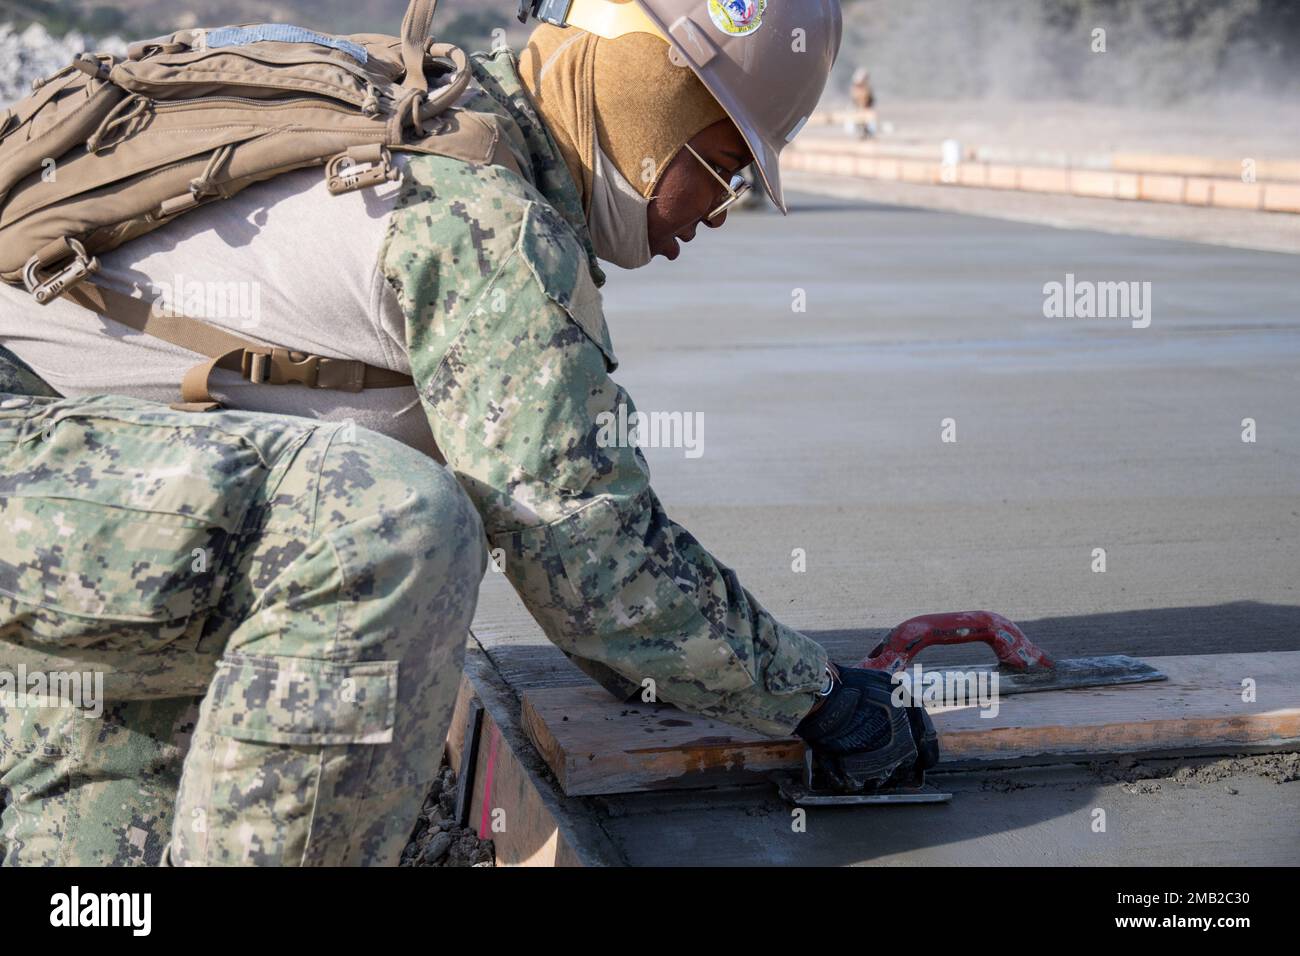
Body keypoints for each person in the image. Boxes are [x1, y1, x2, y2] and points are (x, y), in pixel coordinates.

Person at [0, 0, 932, 866]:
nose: (717, 212)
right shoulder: (486, 220)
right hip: (50, 481)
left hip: (84, 505)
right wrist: (816, 697)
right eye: (725, 167)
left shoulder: (432, 113)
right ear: (655, 99)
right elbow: (592, 561)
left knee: (113, 833)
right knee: (384, 527)